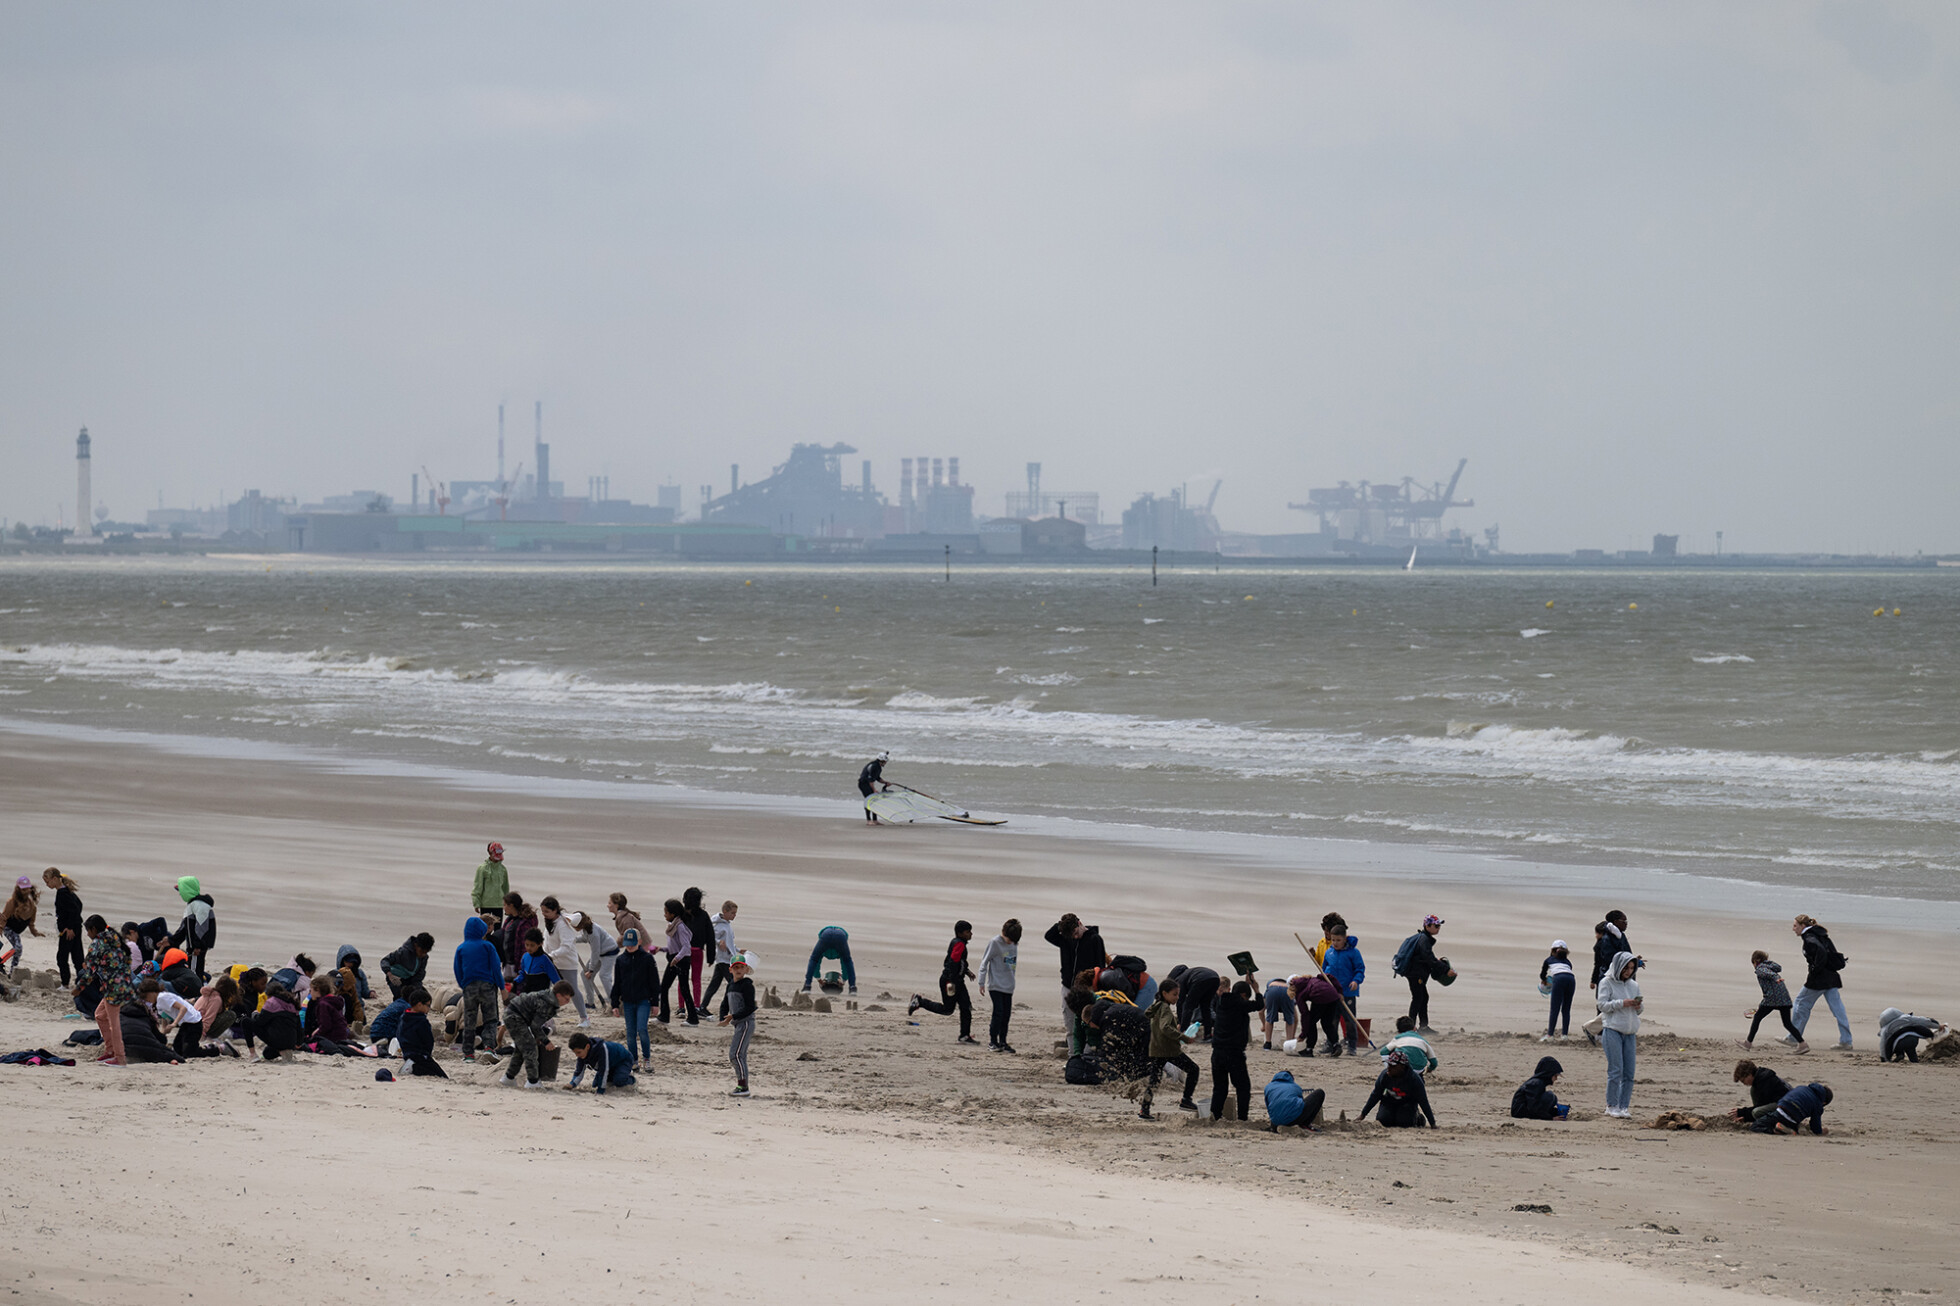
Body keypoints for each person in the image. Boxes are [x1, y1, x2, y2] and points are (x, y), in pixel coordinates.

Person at [1044, 914, 1106, 1054]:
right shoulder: (1066, 938)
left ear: (1080, 923)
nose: (1075, 937)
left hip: (1087, 991)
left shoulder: (1094, 939)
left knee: (1088, 1025)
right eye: (1072, 935)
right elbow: (1049, 936)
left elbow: (1100, 968)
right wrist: (1061, 924)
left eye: (1076, 933)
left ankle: (1086, 1056)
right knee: (1070, 1027)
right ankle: (1074, 1058)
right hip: (1068, 988)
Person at [1138, 979, 1200, 1119]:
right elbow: (1165, 1027)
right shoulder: (1165, 1009)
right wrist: (1184, 1037)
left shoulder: (1157, 1006)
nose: (1177, 997)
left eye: (1178, 994)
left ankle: (1144, 1110)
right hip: (1168, 1051)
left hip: (1156, 1049)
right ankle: (1186, 1100)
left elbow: (1158, 1024)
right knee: (1194, 1069)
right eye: (1174, 994)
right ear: (1164, 993)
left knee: (1154, 1080)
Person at [910, 920, 978, 1044]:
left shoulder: (958, 942)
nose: (971, 934)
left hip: (955, 981)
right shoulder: (960, 944)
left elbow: (958, 962)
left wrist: (967, 972)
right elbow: (953, 962)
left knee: (965, 1007)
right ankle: (919, 1001)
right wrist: (952, 982)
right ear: (960, 933)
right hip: (951, 982)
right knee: (948, 1009)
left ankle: (964, 1035)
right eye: (968, 932)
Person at [77, 915, 132, 1065]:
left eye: (88, 931)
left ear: (94, 929)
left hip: (114, 987)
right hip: (120, 983)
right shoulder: (113, 938)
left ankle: (119, 1057)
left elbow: (91, 967)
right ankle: (110, 1050)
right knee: (100, 1015)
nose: (87, 934)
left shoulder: (99, 943)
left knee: (114, 1022)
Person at [1790, 915, 1852, 1050]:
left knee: (1801, 1003)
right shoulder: (1819, 933)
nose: (1793, 929)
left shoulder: (1809, 937)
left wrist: (1814, 971)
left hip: (1819, 980)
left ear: (1802, 926)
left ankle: (1793, 1037)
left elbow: (1821, 953)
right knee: (1838, 1010)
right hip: (1831, 977)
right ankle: (1846, 1041)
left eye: (1795, 926)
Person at [500, 981, 574, 1089]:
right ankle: (532, 1081)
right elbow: (535, 1026)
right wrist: (546, 1041)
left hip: (517, 1017)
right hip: (515, 1017)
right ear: (558, 995)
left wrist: (540, 1038)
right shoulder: (546, 1003)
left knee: (522, 1049)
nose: (567, 1002)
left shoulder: (549, 999)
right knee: (530, 1048)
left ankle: (508, 1078)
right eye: (566, 999)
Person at [1596, 951, 1643, 1119]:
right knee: (1616, 1070)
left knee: (1629, 1073)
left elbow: (1639, 1010)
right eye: (1626, 968)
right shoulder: (1606, 982)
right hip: (1612, 1029)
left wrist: (1638, 1006)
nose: (1628, 971)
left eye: (1631, 968)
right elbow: (1602, 1005)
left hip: (1630, 1032)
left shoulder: (1633, 985)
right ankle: (1611, 1105)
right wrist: (1622, 1003)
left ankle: (1624, 1106)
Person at [1210, 976, 1263, 1122]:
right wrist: (1256, 989)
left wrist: (1246, 984)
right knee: (1243, 1087)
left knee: (1220, 1088)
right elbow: (1259, 1004)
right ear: (1244, 996)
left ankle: (1215, 1116)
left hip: (1217, 1053)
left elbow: (1238, 997)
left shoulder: (1221, 1002)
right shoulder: (1239, 1004)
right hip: (1233, 1053)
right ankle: (1242, 1118)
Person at [453, 915, 503, 1060]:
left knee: (470, 1019)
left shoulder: (461, 948)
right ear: (482, 931)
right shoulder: (488, 946)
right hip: (487, 986)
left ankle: (468, 1053)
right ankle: (489, 1047)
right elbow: (495, 968)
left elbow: (457, 969)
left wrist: (463, 984)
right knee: (491, 1018)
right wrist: (501, 987)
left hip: (469, 986)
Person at [609, 928, 659, 1070]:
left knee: (642, 1029)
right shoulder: (620, 960)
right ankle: (633, 1061)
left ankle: (647, 1060)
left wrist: (655, 1003)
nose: (629, 946)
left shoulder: (648, 959)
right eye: (627, 943)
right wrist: (614, 1004)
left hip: (644, 1001)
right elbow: (617, 983)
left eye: (632, 943)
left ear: (640, 942)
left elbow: (654, 982)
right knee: (630, 1033)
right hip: (628, 1002)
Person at [139, 977, 223, 1059]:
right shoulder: (157, 1002)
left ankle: (218, 1049)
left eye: (146, 996)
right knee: (177, 1049)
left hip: (194, 1022)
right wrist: (164, 1030)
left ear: (153, 992)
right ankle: (207, 1047)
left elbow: (183, 1008)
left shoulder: (162, 997)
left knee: (190, 1053)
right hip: (185, 1024)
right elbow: (164, 1015)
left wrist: (174, 1023)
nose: (146, 999)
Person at [1741, 949, 1806, 1053]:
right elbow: (1774, 971)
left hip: (1773, 998)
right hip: (1784, 998)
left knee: (1757, 1018)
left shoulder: (1760, 968)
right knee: (1787, 1023)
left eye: (1753, 963)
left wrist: (1775, 977)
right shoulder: (1771, 966)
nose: (1753, 965)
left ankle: (1748, 1043)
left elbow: (1768, 973)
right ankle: (1803, 1044)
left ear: (1756, 961)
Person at [538, 898, 587, 1025]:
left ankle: (584, 1018)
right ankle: (548, 1016)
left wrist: (551, 955)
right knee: (548, 989)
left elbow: (566, 946)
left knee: (573, 990)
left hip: (566, 963)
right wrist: (543, 955)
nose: (544, 914)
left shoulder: (563, 924)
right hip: (551, 962)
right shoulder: (550, 922)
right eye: (542, 911)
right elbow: (547, 941)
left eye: (547, 911)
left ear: (555, 910)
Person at [1393, 914, 1444, 1036]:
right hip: (1415, 974)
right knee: (1418, 998)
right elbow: (1429, 958)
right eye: (1436, 925)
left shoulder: (1423, 938)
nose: (1438, 928)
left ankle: (1423, 1026)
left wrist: (1437, 962)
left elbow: (1426, 957)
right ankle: (1410, 1028)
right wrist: (1446, 969)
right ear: (1427, 926)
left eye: (1439, 926)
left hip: (1416, 973)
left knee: (1423, 997)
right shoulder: (1424, 939)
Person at [1359, 1050, 1435, 1128]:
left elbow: (1423, 1102)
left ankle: (1418, 1117)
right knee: (1383, 1121)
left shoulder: (1414, 1080)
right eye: (1388, 1064)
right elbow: (1375, 1095)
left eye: (1392, 1066)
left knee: (1404, 1123)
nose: (1389, 1068)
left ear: (1402, 1067)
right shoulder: (1384, 1076)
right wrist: (1363, 1115)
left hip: (1407, 1104)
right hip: (1388, 1102)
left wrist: (1432, 1123)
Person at [1320, 924, 1366, 1052]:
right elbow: (1324, 970)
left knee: (1349, 1020)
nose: (1335, 943)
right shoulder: (1329, 952)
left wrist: (1356, 981)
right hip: (1332, 992)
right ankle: (1331, 1044)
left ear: (1345, 938)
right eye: (1333, 940)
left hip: (1348, 991)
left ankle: (1352, 1046)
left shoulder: (1354, 953)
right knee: (1331, 1020)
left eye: (1338, 940)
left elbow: (1360, 970)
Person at [977, 919, 1020, 1053]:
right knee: (998, 1012)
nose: (1009, 942)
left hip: (1009, 985)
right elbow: (984, 963)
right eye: (1008, 939)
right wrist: (981, 982)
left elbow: (1012, 966)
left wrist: (1013, 982)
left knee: (1006, 1015)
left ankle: (1003, 1041)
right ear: (1003, 932)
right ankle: (993, 1041)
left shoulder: (1014, 944)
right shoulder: (995, 943)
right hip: (995, 985)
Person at [166, 876, 217, 980]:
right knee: (192, 968)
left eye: (181, 890)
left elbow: (201, 928)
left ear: (187, 890)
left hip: (197, 947)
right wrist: (171, 940)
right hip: (193, 945)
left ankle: (196, 991)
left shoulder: (200, 905)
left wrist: (197, 946)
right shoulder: (192, 905)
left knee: (194, 971)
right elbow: (184, 928)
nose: (180, 894)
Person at [721, 954, 758, 1097]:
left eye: (741, 967)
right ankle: (742, 1086)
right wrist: (723, 1017)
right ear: (730, 970)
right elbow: (725, 1003)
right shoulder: (730, 985)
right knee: (739, 1055)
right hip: (738, 1024)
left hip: (746, 1023)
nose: (738, 970)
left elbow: (750, 1007)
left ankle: (743, 1087)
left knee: (735, 1055)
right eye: (735, 967)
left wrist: (733, 1016)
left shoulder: (747, 986)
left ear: (746, 969)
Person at [656, 899, 698, 1024]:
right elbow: (674, 946)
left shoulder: (680, 926)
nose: (664, 915)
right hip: (675, 959)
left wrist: (676, 959)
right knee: (664, 987)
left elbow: (686, 947)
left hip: (681, 961)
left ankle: (693, 1019)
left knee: (684, 989)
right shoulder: (673, 925)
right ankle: (664, 1016)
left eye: (666, 912)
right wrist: (662, 949)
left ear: (673, 914)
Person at [573, 911, 617, 1020]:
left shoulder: (593, 932)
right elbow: (584, 938)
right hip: (600, 953)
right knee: (584, 974)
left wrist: (591, 970)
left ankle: (614, 1003)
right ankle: (590, 1002)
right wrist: (572, 940)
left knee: (604, 976)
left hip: (609, 952)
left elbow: (595, 952)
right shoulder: (586, 929)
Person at [43, 869, 84, 989]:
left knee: (62, 957)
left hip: (68, 930)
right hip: (75, 928)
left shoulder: (63, 893)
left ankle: (65, 983)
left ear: (55, 879)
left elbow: (75, 909)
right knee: (77, 956)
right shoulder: (67, 891)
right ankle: (81, 982)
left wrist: (70, 927)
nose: (47, 885)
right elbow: (79, 905)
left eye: (47, 881)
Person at [243, 982, 304, 1061]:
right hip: (291, 1042)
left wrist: (255, 1014)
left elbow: (260, 1022)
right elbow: (299, 1026)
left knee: (245, 1021)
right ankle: (283, 1051)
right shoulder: (292, 1003)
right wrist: (299, 1042)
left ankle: (253, 1054)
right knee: (267, 1054)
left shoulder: (271, 1002)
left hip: (276, 1039)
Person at [1287, 972, 1344, 1057]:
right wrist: (1339, 991)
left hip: (1318, 995)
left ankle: (1309, 1049)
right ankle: (1336, 1045)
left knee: (1310, 1023)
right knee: (1327, 1023)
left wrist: (1303, 1035)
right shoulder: (1315, 978)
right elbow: (1329, 976)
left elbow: (1305, 1015)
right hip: (1333, 996)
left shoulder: (1299, 994)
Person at [396, 987, 447, 1077]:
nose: (429, 1008)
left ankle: (411, 1066)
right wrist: (426, 1053)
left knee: (429, 1070)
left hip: (407, 1053)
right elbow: (428, 1040)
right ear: (419, 1005)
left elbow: (399, 1034)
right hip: (420, 1054)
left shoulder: (404, 1016)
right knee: (440, 1075)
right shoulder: (421, 1021)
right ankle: (412, 1068)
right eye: (428, 1005)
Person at [701, 901, 739, 1017]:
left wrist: (738, 950)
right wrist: (718, 942)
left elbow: (729, 943)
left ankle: (703, 1006)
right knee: (733, 983)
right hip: (723, 959)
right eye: (732, 913)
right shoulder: (717, 924)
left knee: (714, 984)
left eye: (735, 913)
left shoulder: (727, 924)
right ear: (725, 912)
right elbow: (710, 937)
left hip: (728, 958)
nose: (734, 915)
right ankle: (725, 1009)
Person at [567, 1032, 635, 1094]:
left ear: (587, 1047)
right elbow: (579, 1071)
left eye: (578, 1052)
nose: (577, 1055)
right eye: (575, 1053)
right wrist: (572, 1084)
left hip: (623, 1060)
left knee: (618, 1081)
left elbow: (604, 1070)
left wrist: (600, 1091)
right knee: (595, 1084)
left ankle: (632, 1080)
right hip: (609, 1064)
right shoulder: (581, 1055)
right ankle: (613, 1076)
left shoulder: (602, 1049)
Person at [1756, 1081, 1833, 1136]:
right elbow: (1815, 1127)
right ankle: (1779, 1131)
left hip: (1780, 1110)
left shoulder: (1802, 1087)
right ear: (1824, 1102)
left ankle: (1779, 1128)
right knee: (1792, 1122)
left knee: (1757, 1125)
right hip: (1793, 1119)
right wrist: (1821, 1131)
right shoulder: (1818, 1104)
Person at [682, 887, 715, 1012]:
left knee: (682, 979)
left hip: (683, 951)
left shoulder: (682, 914)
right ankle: (696, 1005)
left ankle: (681, 1007)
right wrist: (711, 957)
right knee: (696, 980)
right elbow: (710, 937)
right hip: (697, 951)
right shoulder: (703, 915)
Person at [3, 877, 43, 977]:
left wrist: (35, 933)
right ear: (18, 889)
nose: (25, 891)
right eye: (23, 889)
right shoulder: (12, 902)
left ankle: (12, 971)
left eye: (27, 889)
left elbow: (31, 923)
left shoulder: (32, 906)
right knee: (18, 947)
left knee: (17, 950)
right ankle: (11, 970)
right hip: (7, 929)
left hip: (17, 931)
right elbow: (3, 917)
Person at [802, 925, 857, 996]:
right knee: (847, 961)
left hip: (826, 936)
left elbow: (816, 963)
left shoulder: (822, 938)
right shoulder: (842, 939)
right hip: (841, 936)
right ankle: (852, 988)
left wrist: (819, 979)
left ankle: (807, 986)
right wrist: (843, 980)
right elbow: (845, 965)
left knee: (814, 959)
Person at [1733, 1060, 1792, 1125]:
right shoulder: (1760, 1078)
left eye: (1743, 1080)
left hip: (1787, 1106)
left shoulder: (1764, 1081)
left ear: (1749, 1074)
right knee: (1753, 1092)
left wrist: (1741, 1112)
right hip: (1781, 1103)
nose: (1744, 1083)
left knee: (1756, 1112)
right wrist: (1746, 1117)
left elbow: (1761, 1106)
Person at [1539, 940, 1576, 1041]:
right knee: (1566, 1009)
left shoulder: (1549, 960)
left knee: (1555, 1008)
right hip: (1571, 979)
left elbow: (1543, 974)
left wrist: (1544, 981)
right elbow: (1567, 971)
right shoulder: (1568, 962)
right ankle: (1564, 1035)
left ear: (1552, 950)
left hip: (1559, 979)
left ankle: (1550, 1035)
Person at [381, 932, 434, 1001]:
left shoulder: (424, 958)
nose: (423, 954)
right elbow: (385, 960)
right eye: (422, 951)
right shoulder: (403, 952)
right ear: (415, 945)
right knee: (402, 998)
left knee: (424, 998)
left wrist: (417, 988)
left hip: (410, 980)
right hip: (395, 978)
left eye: (426, 952)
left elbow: (419, 975)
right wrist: (389, 974)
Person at [1879, 1008, 1945, 1063]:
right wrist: (1938, 1026)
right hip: (1912, 1039)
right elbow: (1923, 1021)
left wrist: (1884, 1059)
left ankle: (1900, 1054)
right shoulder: (1906, 1017)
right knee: (1911, 1049)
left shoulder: (1885, 1030)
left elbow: (1882, 1044)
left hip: (1899, 1043)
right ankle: (1914, 1060)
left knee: (1894, 1042)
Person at [1175, 965, 1222, 1043]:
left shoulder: (1180, 980)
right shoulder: (1189, 973)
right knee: (1205, 1007)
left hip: (1201, 980)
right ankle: (1208, 1035)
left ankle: (1184, 1034)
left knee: (1188, 1006)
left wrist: (1180, 1023)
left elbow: (1180, 1003)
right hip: (1215, 978)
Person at [305, 975, 356, 1047]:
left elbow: (326, 1025)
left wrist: (315, 1034)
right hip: (342, 1034)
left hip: (332, 1037)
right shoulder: (333, 1001)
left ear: (317, 990)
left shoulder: (323, 1004)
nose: (310, 993)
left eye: (311, 990)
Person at [1511, 1055, 1566, 1120]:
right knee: (1550, 1096)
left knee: (1553, 1099)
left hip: (1523, 1110)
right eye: (1555, 1075)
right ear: (1548, 1074)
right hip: (1519, 1112)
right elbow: (1533, 1107)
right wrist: (1550, 1118)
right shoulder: (1536, 1084)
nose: (1556, 1078)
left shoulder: (1538, 1083)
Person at [499, 894, 537, 984]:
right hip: (507, 962)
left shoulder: (523, 923)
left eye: (504, 905)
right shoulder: (509, 919)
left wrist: (520, 968)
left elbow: (525, 947)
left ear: (511, 905)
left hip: (517, 963)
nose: (503, 907)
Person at [1591, 911, 1631, 989]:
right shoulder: (1607, 939)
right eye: (1624, 921)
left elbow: (1628, 954)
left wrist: (1635, 961)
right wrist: (1594, 980)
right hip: (1609, 978)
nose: (1626, 924)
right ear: (1616, 922)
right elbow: (1608, 960)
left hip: (1621, 977)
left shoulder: (1621, 936)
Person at [333, 946, 369, 1033]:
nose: (349, 965)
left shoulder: (359, 973)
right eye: (347, 962)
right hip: (341, 1005)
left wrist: (370, 993)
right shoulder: (335, 975)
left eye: (352, 962)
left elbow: (364, 992)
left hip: (358, 1005)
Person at [514, 929, 562, 994]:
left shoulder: (545, 959)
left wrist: (561, 991)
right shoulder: (525, 956)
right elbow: (522, 973)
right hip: (526, 995)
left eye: (532, 945)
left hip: (541, 996)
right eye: (527, 945)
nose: (529, 948)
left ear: (540, 944)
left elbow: (555, 978)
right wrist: (514, 982)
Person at [473, 841, 510, 923]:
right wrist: (476, 902)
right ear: (490, 853)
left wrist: (507, 904)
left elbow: (505, 888)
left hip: (499, 904)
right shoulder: (482, 868)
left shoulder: (503, 869)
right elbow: (478, 886)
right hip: (486, 904)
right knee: (485, 928)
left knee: (498, 930)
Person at [1260, 975, 1296, 1051]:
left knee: (1270, 1017)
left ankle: (1267, 1044)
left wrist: (1264, 1026)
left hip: (1272, 991)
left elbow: (1261, 1011)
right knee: (1289, 1018)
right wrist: (1293, 1036)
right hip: (1287, 991)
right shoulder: (1290, 987)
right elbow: (1295, 1019)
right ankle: (1288, 1044)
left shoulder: (1269, 987)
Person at [858, 750, 891, 821]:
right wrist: (874, 790)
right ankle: (869, 821)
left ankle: (875, 821)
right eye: (885, 761)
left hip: (868, 783)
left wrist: (885, 782)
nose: (886, 763)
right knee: (870, 800)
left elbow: (877, 778)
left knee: (874, 801)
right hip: (863, 784)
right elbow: (870, 780)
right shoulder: (874, 766)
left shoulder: (878, 766)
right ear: (882, 761)